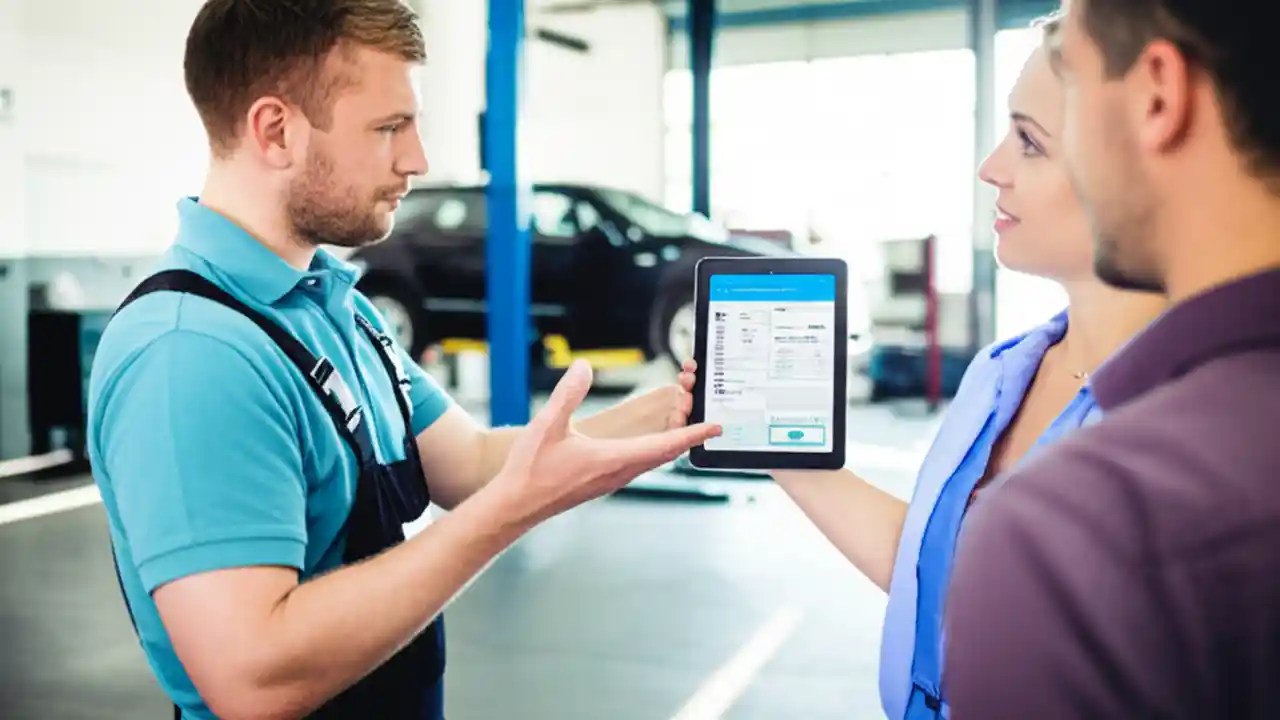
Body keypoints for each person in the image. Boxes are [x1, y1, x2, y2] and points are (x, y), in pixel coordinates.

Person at [86, 2, 720, 719]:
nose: (416, 159)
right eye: (389, 128)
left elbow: (477, 463)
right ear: (275, 130)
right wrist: (507, 517)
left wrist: (685, 408)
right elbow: (252, 679)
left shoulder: (332, 303)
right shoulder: (191, 355)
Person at [692, 18, 1167, 720]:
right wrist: (772, 444)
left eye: (1029, 142)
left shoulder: (1180, 429)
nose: (991, 167)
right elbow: (935, 573)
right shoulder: (1003, 372)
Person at [944, 0, 1280, 717]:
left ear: (1157, 93)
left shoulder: (1079, 530)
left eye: (1075, 78)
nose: (993, 167)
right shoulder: (1006, 380)